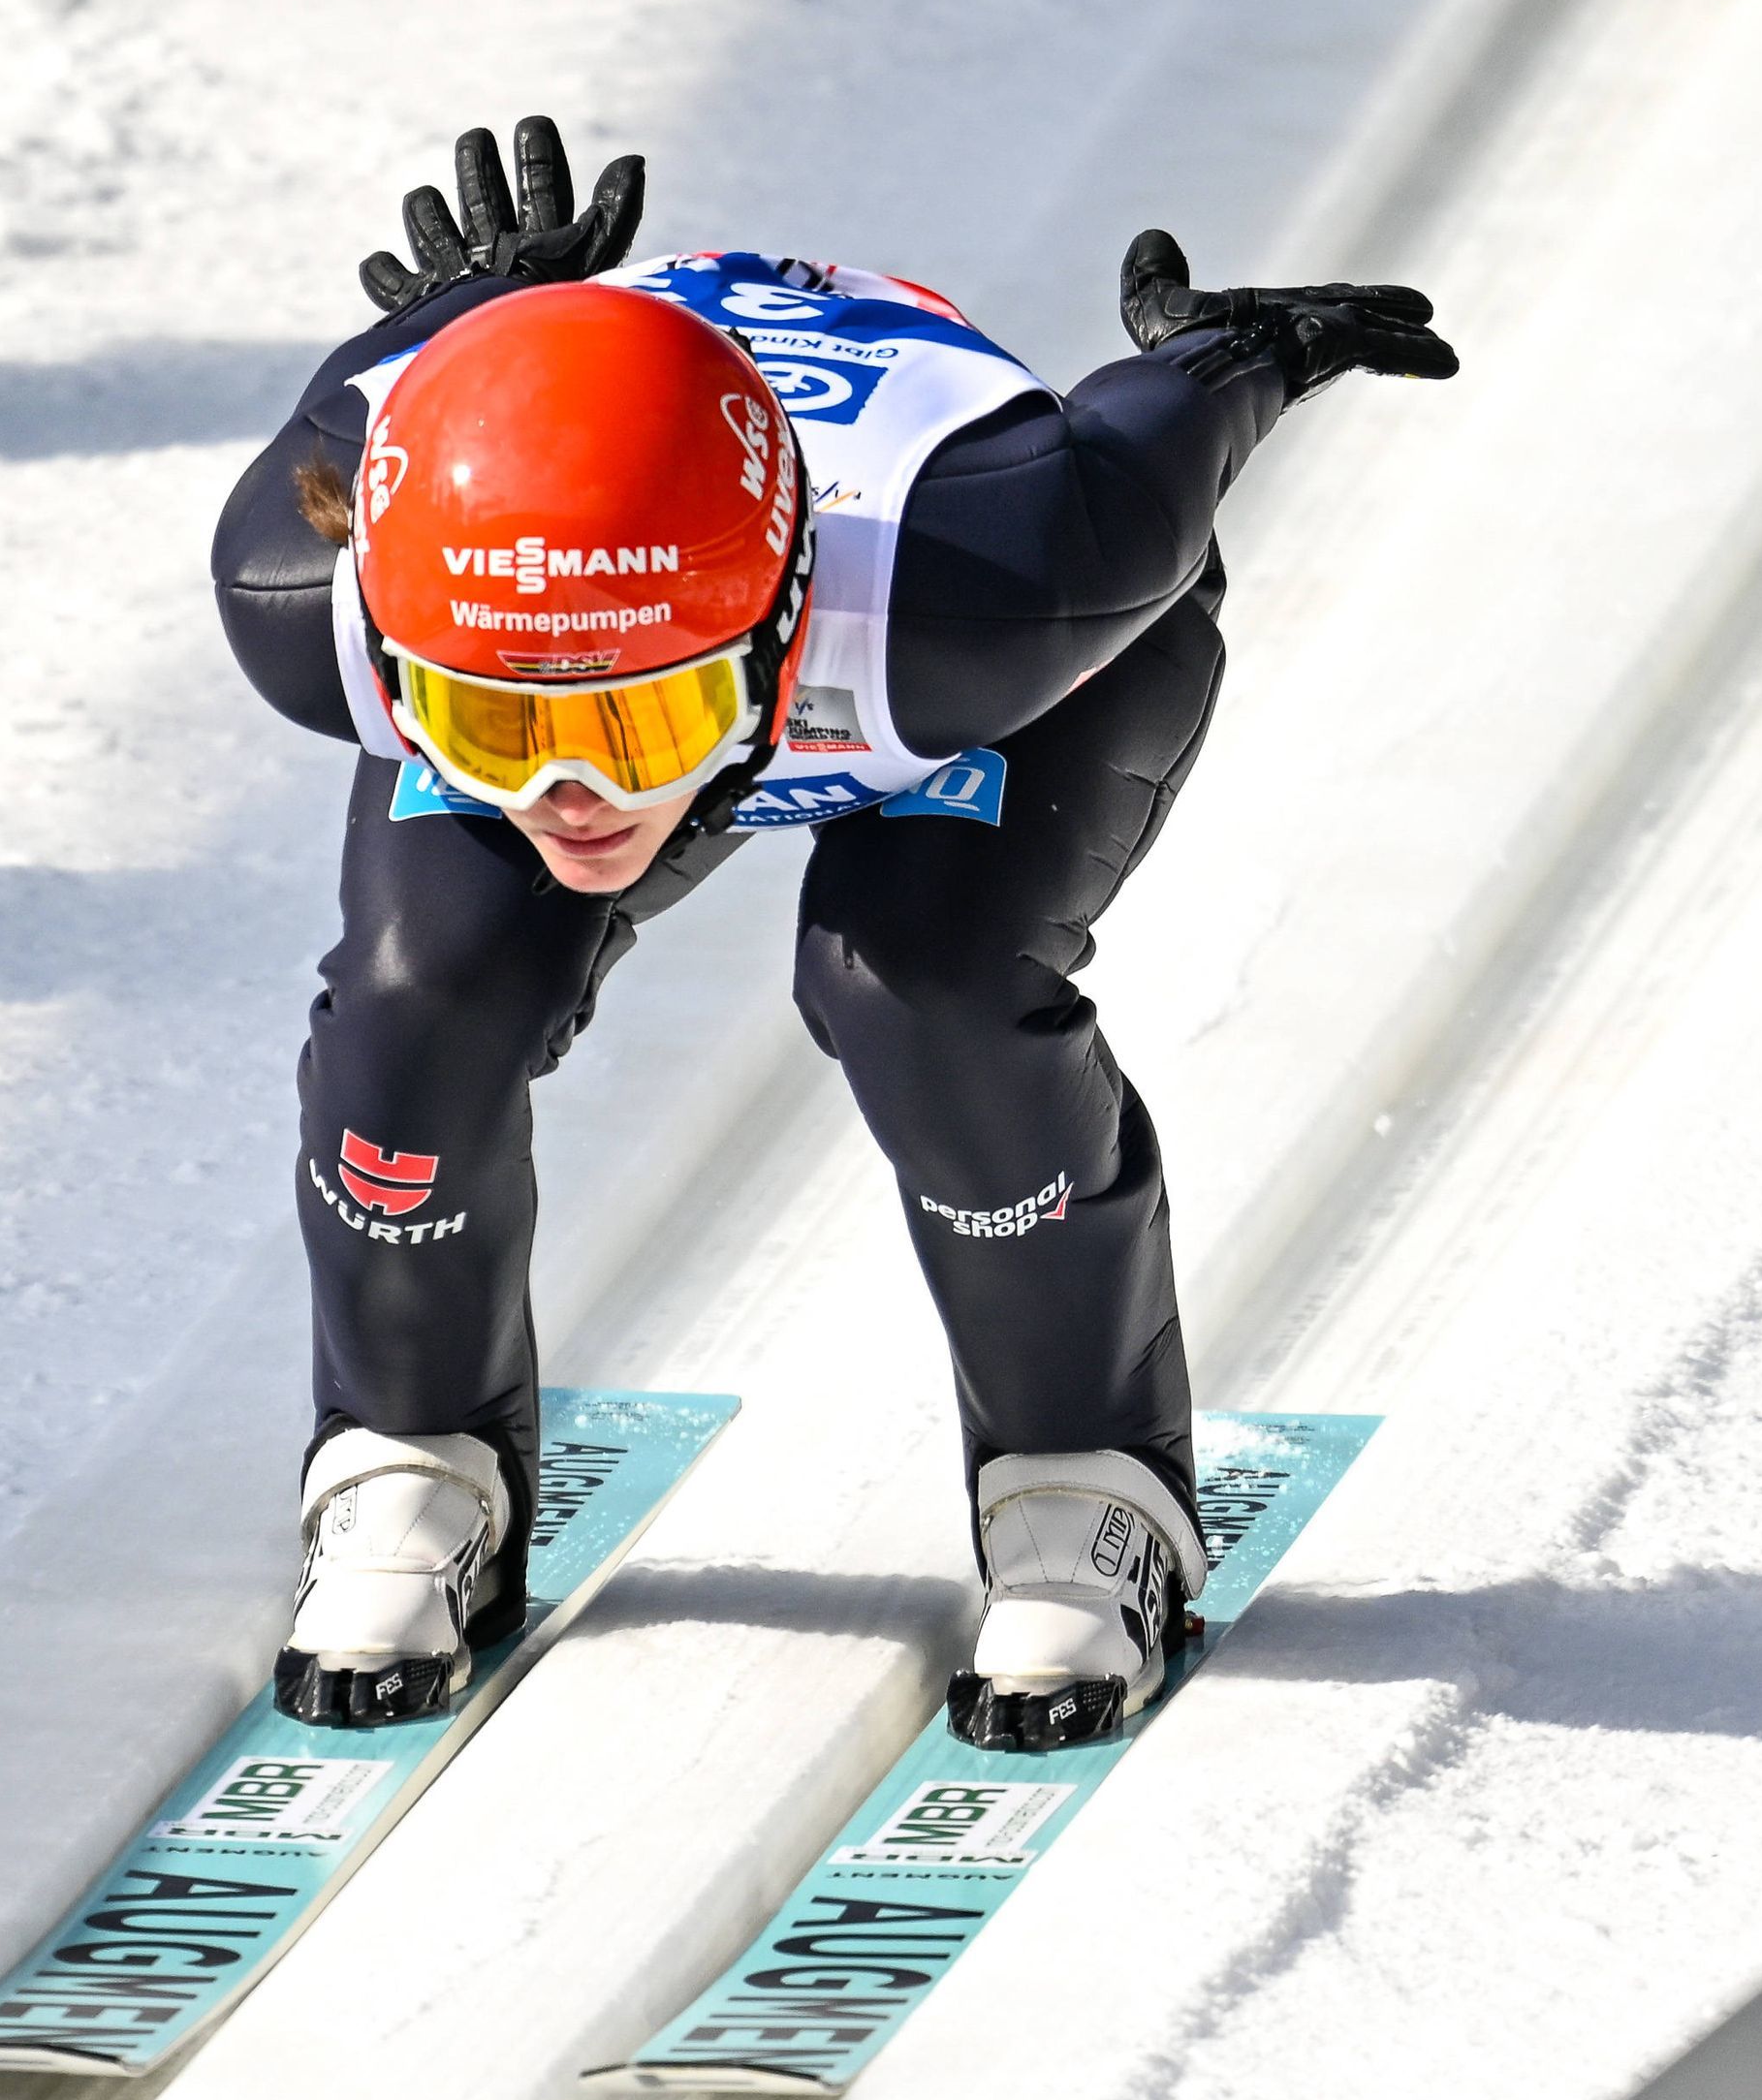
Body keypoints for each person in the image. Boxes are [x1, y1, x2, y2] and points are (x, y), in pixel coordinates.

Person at [208, 119, 1454, 1747]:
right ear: (396, 640)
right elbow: (366, 407)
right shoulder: (315, 599)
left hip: (941, 666)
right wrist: (453, 323)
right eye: (495, 726)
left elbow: (1161, 443)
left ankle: (1087, 1481)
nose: (575, 794)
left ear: (785, 624)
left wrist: (1241, 350)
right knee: (414, 997)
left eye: (638, 724)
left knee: (916, 976)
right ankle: (403, 1449)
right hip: (737, 601)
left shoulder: (999, 581)